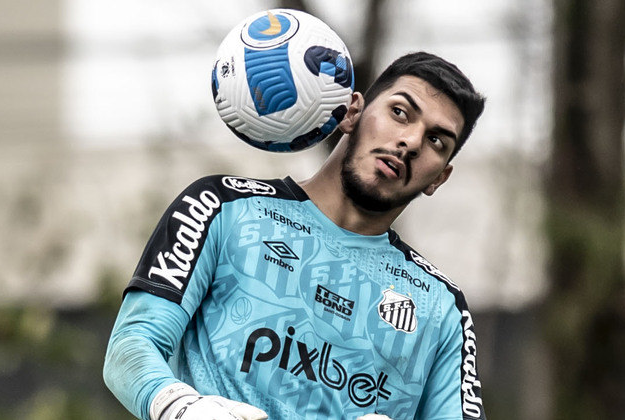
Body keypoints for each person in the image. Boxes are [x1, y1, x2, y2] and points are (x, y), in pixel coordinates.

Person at [103, 51, 487, 420]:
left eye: (437, 141)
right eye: (400, 113)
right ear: (353, 111)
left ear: (440, 177)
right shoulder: (220, 206)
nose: (412, 142)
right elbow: (131, 346)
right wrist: (181, 408)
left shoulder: (441, 307)